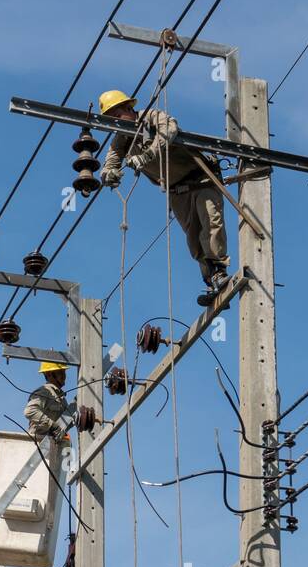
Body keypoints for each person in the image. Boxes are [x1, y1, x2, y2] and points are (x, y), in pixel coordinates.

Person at [97, 89, 230, 306]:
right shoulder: (121, 139)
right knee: (194, 238)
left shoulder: (151, 117)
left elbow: (170, 130)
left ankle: (219, 272)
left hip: (202, 178)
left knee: (211, 224)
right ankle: (210, 280)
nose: (115, 123)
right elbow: (109, 164)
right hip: (177, 190)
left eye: (117, 116)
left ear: (129, 109)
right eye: (111, 120)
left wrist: (147, 154)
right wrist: (109, 175)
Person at [24, 360, 70, 444]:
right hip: (38, 443)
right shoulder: (44, 391)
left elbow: (69, 420)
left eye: (64, 372)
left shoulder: (62, 399)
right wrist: (52, 426)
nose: (64, 376)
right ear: (49, 374)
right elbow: (30, 411)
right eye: (60, 372)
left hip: (53, 444)